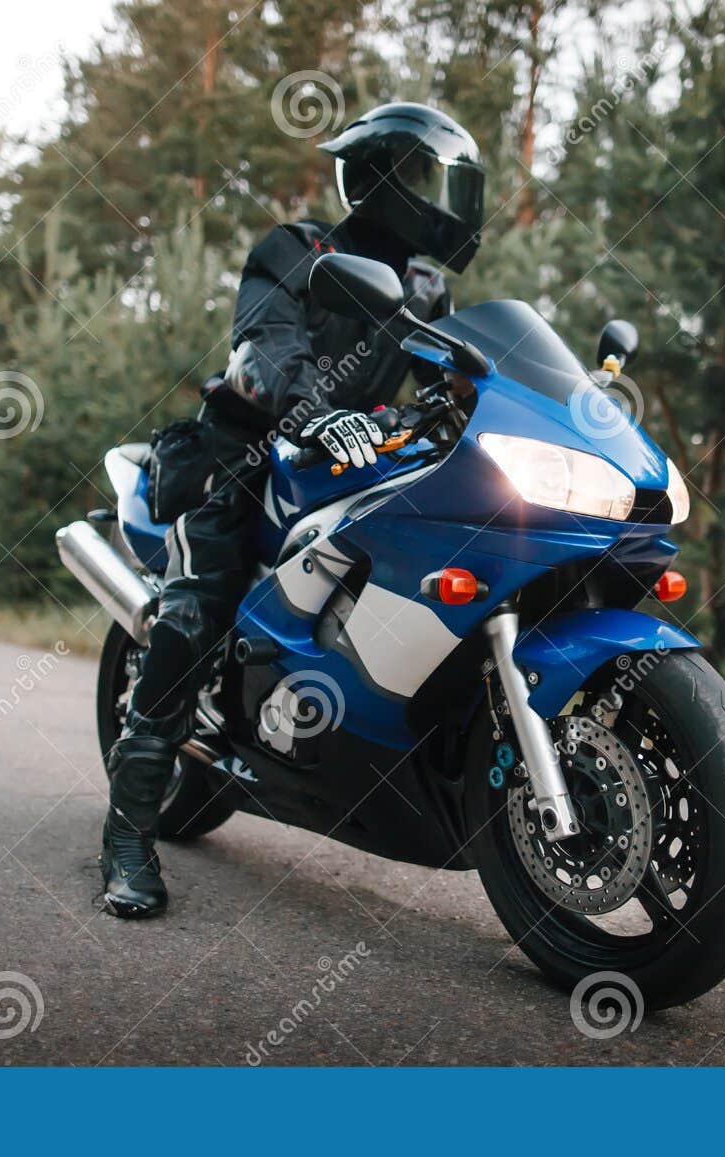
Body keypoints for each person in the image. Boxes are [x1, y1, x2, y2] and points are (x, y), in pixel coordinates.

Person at [100, 102, 487, 918]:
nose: (444, 197)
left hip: (351, 469)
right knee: (195, 616)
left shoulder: (428, 286)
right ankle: (127, 836)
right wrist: (311, 407)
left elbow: (448, 378)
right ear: (384, 180)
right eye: (428, 178)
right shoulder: (295, 249)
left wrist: (485, 402)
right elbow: (266, 346)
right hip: (246, 460)